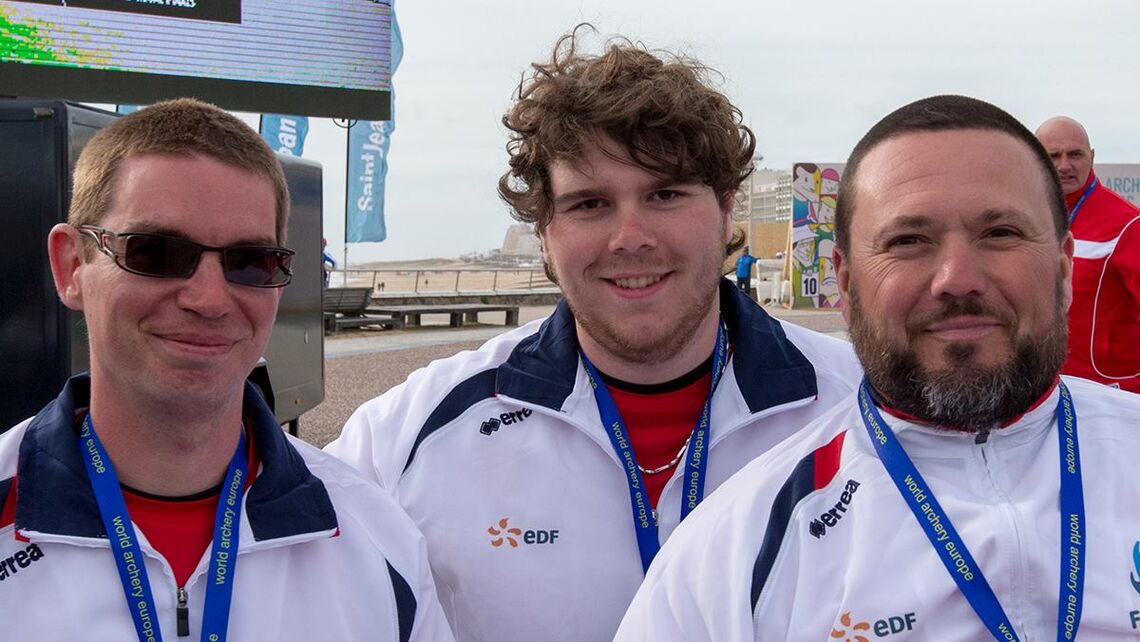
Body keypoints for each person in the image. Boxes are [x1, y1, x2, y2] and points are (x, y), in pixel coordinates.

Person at [326, 28, 862, 642]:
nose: (630, 237)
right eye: (589, 204)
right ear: (546, 230)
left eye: (664, 194)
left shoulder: (860, 405)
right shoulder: (405, 436)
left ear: (726, 209)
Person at [615, 95, 1140, 640]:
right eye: (908, 241)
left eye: (1000, 233)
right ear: (844, 280)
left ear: (1062, 265)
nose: (957, 279)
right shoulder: (729, 548)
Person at [0, 99, 453, 642]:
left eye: (250, 261)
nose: (210, 299)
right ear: (72, 266)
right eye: (157, 252)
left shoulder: (378, 537)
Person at [1035, 116, 1139, 392]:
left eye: (1075, 155)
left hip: (1109, 390)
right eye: (1053, 156)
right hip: (1041, 387)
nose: (1064, 166)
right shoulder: (1022, 217)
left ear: (1091, 157)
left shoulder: (1127, 224)